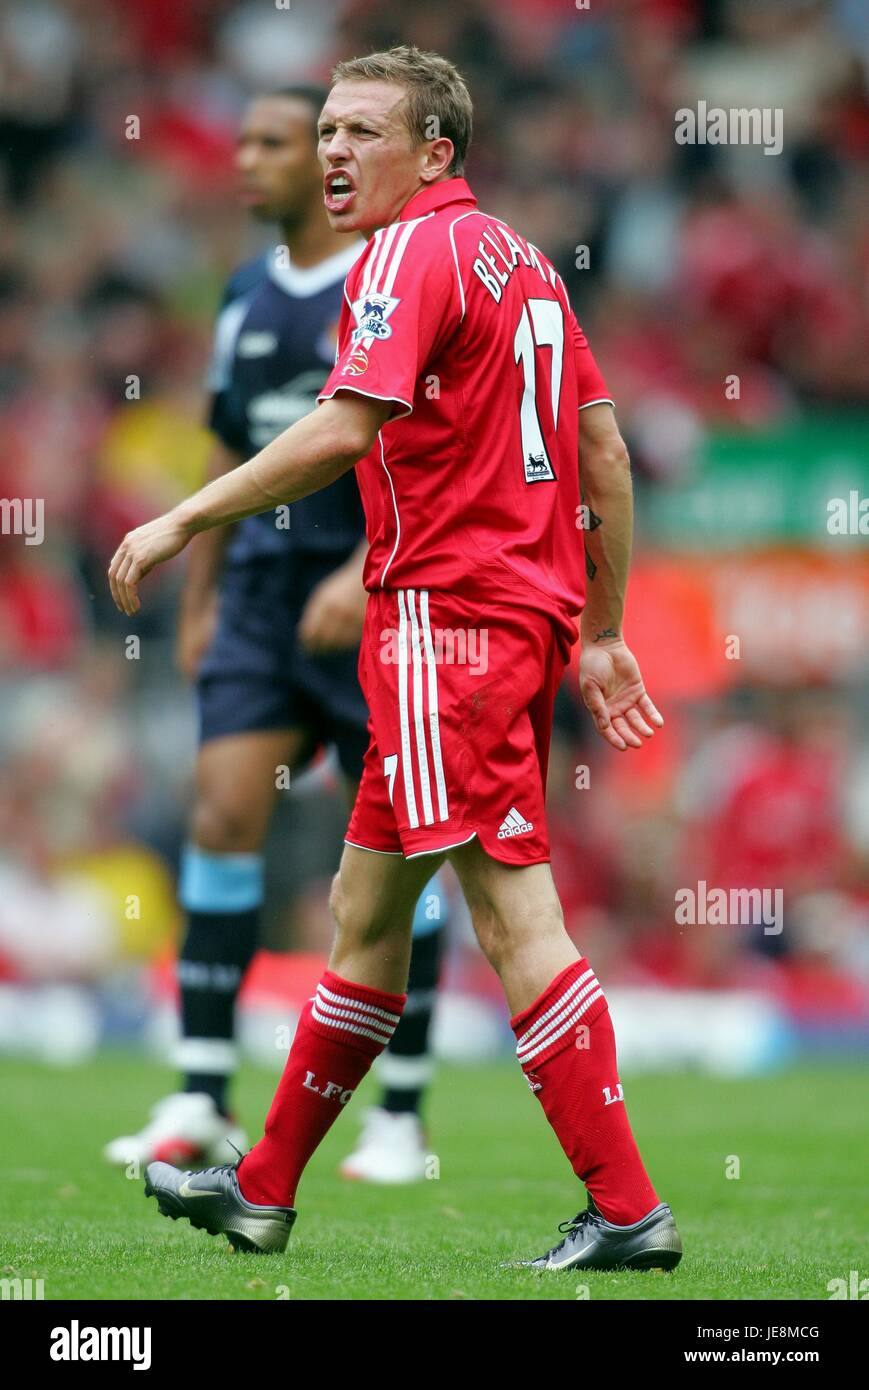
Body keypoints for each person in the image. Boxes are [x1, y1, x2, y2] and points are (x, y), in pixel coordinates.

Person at [108, 45, 682, 1273]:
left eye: (361, 132)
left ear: (434, 152)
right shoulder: (525, 263)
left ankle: (627, 1209)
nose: (330, 151)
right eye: (323, 128)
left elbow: (344, 422)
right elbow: (606, 459)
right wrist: (596, 630)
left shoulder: (407, 254)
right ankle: (261, 1188)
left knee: (510, 912)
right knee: (363, 912)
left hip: (442, 623)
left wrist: (183, 514)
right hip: (507, 625)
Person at [104, 84, 448, 1185]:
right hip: (257, 590)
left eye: (276, 142)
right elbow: (222, 453)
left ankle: (401, 1112)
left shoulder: (387, 277)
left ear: (327, 163)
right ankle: (201, 1093)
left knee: (397, 859)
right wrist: (201, 597)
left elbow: (424, 446)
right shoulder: (245, 291)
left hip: (375, 592)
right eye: (242, 138)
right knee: (222, 809)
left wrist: (360, 563)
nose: (248, 160)